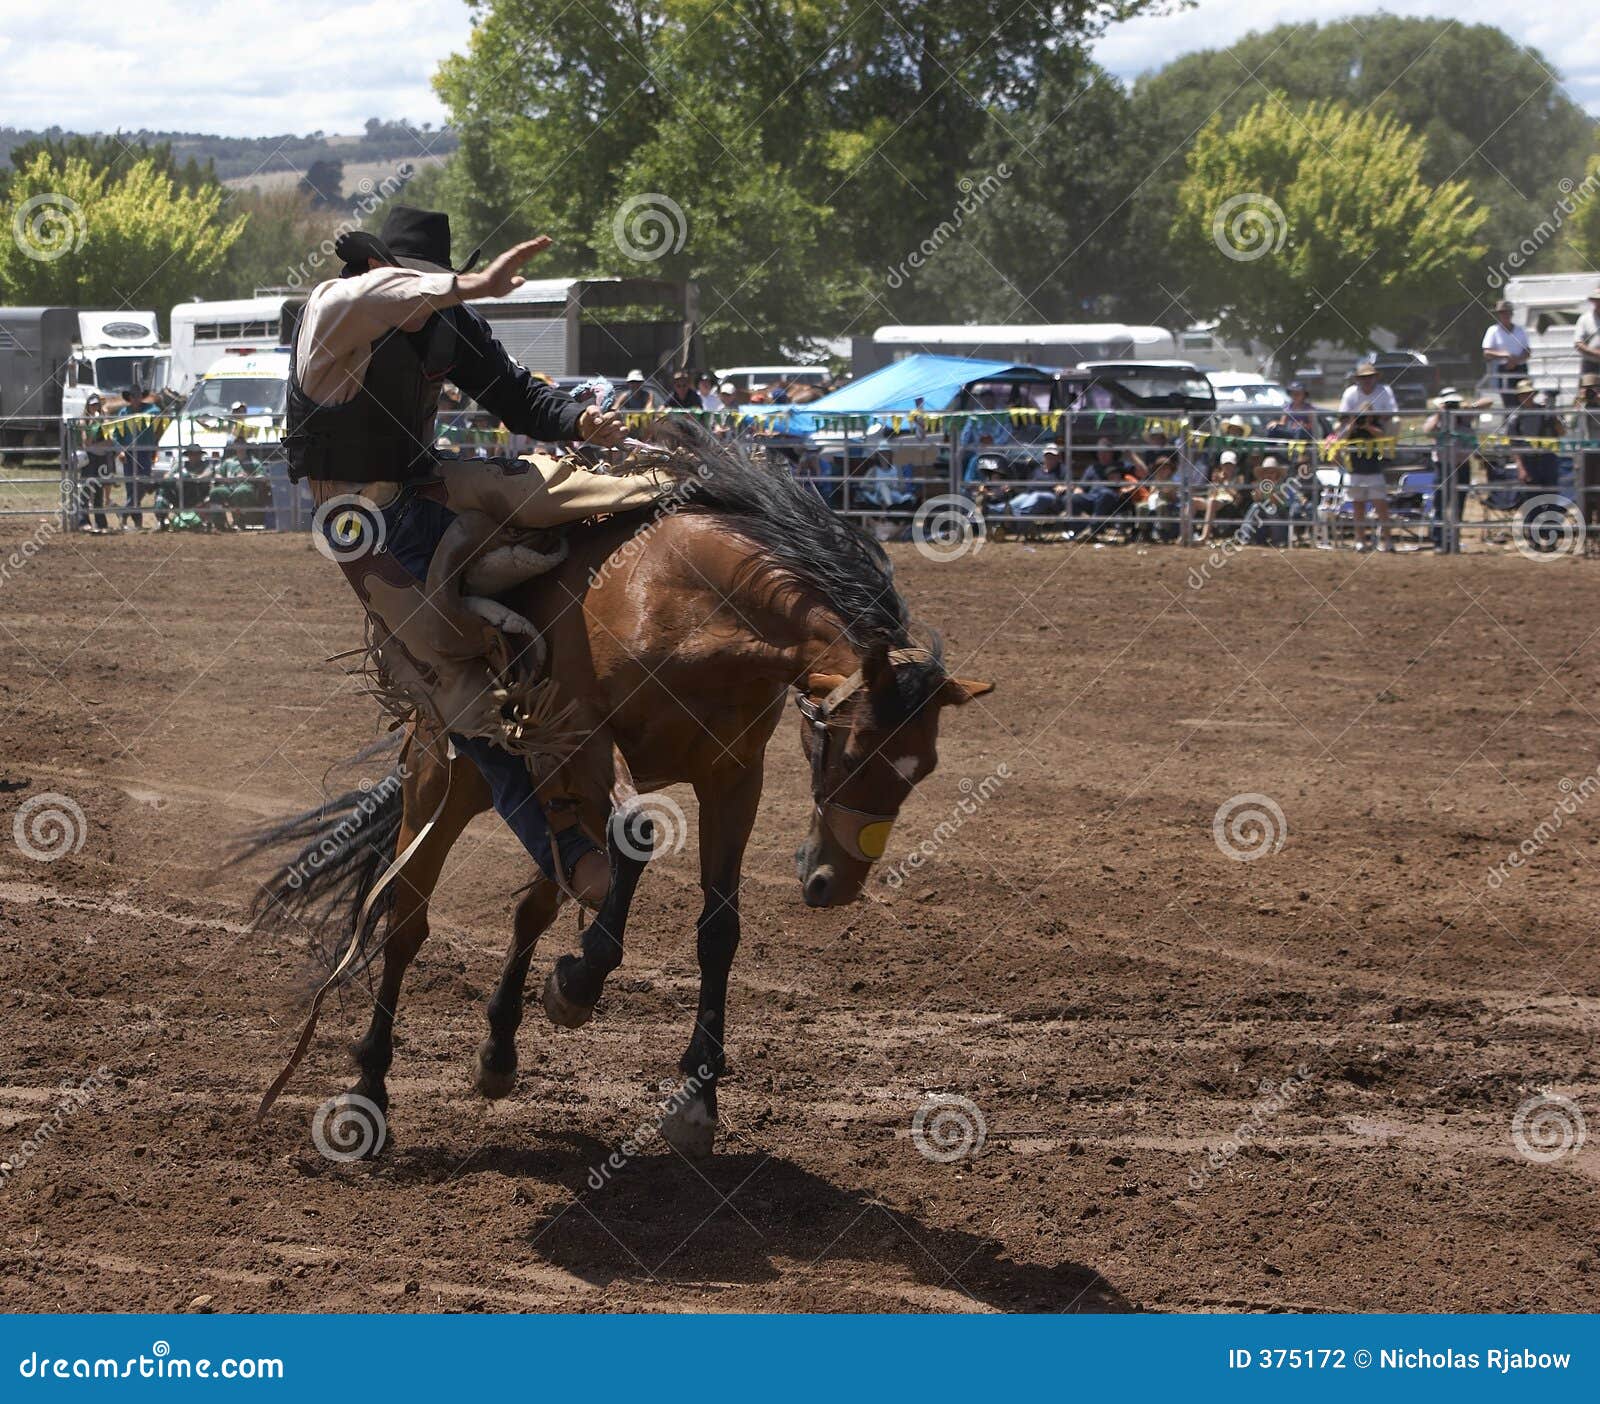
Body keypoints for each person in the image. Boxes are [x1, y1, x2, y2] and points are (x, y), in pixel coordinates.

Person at [286, 205, 669, 906]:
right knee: (460, 689)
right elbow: (383, 296)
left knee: (553, 488)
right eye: (414, 282)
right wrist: (471, 284)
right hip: (362, 524)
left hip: (429, 482)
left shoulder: (446, 322)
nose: (423, 294)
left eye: (432, 284)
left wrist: (581, 420)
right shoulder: (335, 312)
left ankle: (677, 487)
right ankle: (569, 850)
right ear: (377, 269)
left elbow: (514, 392)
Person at [1332, 361, 1398, 550]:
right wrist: (1353, 423)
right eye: (1363, 378)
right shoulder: (1351, 396)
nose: (1367, 381)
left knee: (1380, 505)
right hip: (1356, 467)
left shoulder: (1376, 422)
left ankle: (1387, 540)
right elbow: (1342, 430)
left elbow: (1385, 427)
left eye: (1370, 377)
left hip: (1373, 466)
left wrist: (1369, 423)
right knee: (1358, 505)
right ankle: (1360, 539)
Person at [1482, 299, 1531, 407]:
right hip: (1503, 369)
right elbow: (1487, 352)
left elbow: (1527, 351)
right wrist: (1505, 355)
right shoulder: (1493, 330)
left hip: (1520, 368)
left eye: (1507, 312)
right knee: (1507, 399)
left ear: (1511, 314)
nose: (1505, 315)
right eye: (1502, 313)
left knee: (1523, 397)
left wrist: (1516, 360)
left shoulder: (1520, 330)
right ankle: (1510, 420)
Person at [1574, 373, 1600, 537]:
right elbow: (1569, 423)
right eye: (1586, 388)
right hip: (1585, 454)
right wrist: (1580, 402)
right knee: (1583, 493)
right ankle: (1586, 532)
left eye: (1593, 388)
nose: (1589, 392)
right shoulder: (1579, 404)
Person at [1573, 286, 1600, 383]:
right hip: (1591, 364)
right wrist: (1595, 353)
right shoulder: (1585, 319)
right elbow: (1578, 344)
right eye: (1597, 300)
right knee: (1588, 394)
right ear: (1593, 301)